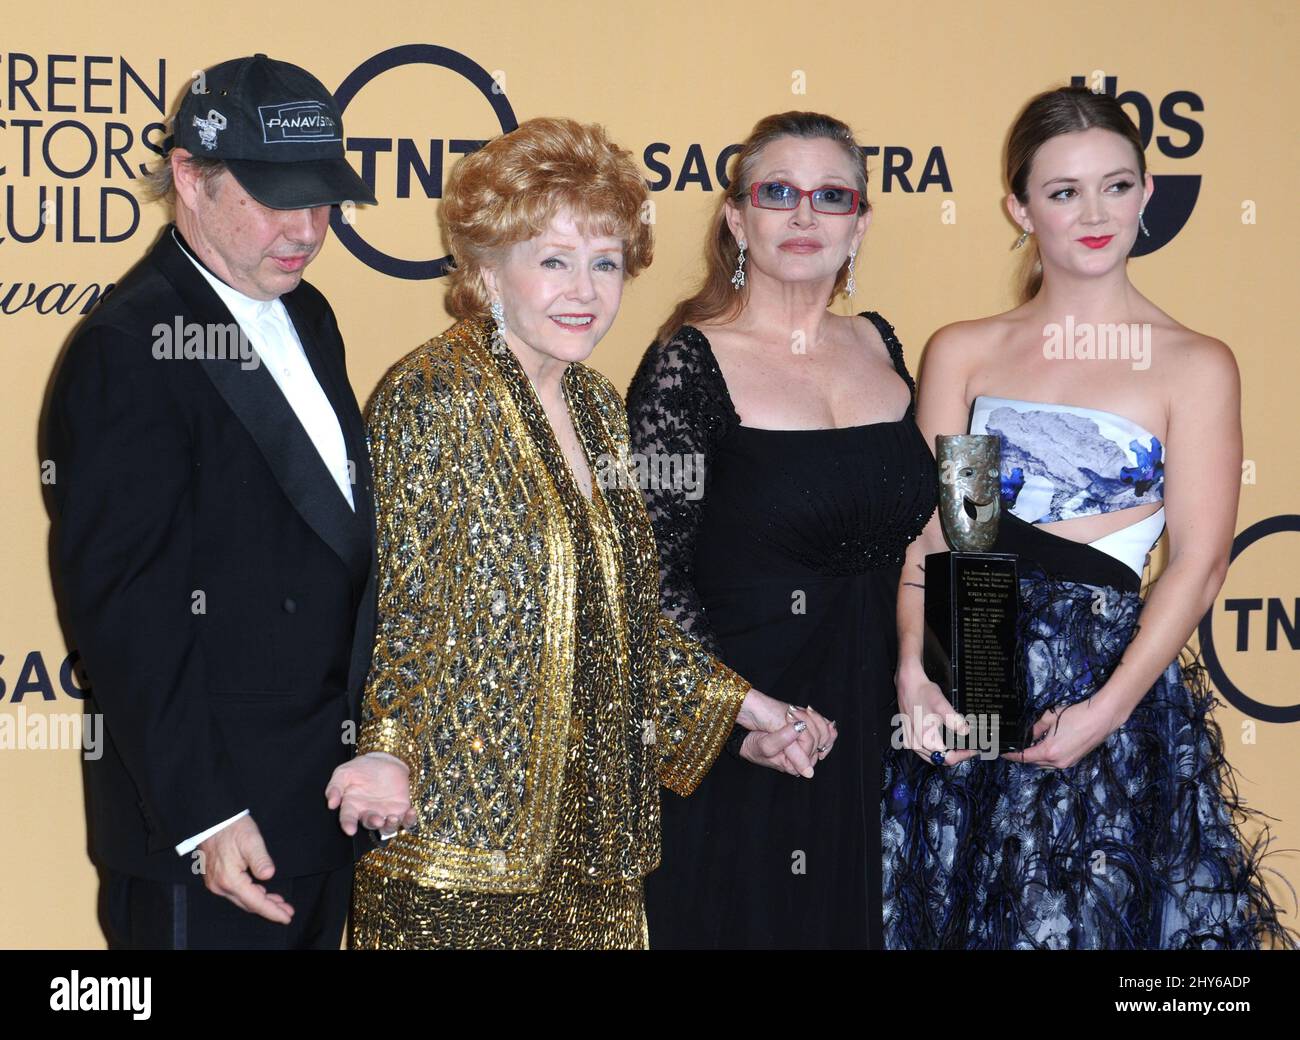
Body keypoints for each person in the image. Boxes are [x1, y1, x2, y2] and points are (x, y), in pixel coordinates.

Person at [324, 116, 833, 950]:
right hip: (459, 847)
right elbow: (399, 610)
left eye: (604, 264)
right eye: (553, 261)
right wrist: (382, 748)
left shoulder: (599, 408)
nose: (585, 291)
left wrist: (751, 712)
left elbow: (624, 623)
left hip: (595, 856)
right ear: (488, 271)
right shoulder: (432, 398)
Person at [885, 85, 1296, 949]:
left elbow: (1201, 563)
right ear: (1020, 208)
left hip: (1100, 691)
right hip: (966, 687)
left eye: (1116, 185)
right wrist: (915, 680)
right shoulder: (963, 351)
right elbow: (930, 535)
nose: (1094, 213)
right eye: (1064, 192)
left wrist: (1105, 712)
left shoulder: (1196, 365)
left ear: (1149, 194)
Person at [44, 54, 379, 949]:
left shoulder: (311, 315)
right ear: (190, 177)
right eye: (276, 200)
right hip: (210, 837)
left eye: (323, 201)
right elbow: (126, 613)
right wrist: (206, 816)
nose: (307, 230)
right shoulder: (127, 346)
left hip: (321, 813)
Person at [626, 111, 938, 949]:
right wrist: (739, 719)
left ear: (861, 222)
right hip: (760, 732)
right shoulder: (686, 362)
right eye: (779, 193)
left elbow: (928, 541)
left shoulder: (882, 344)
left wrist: (934, 675)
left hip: (890, 718)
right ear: (737, 218)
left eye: (831, 196)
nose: (805, 217)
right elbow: (648, 576)